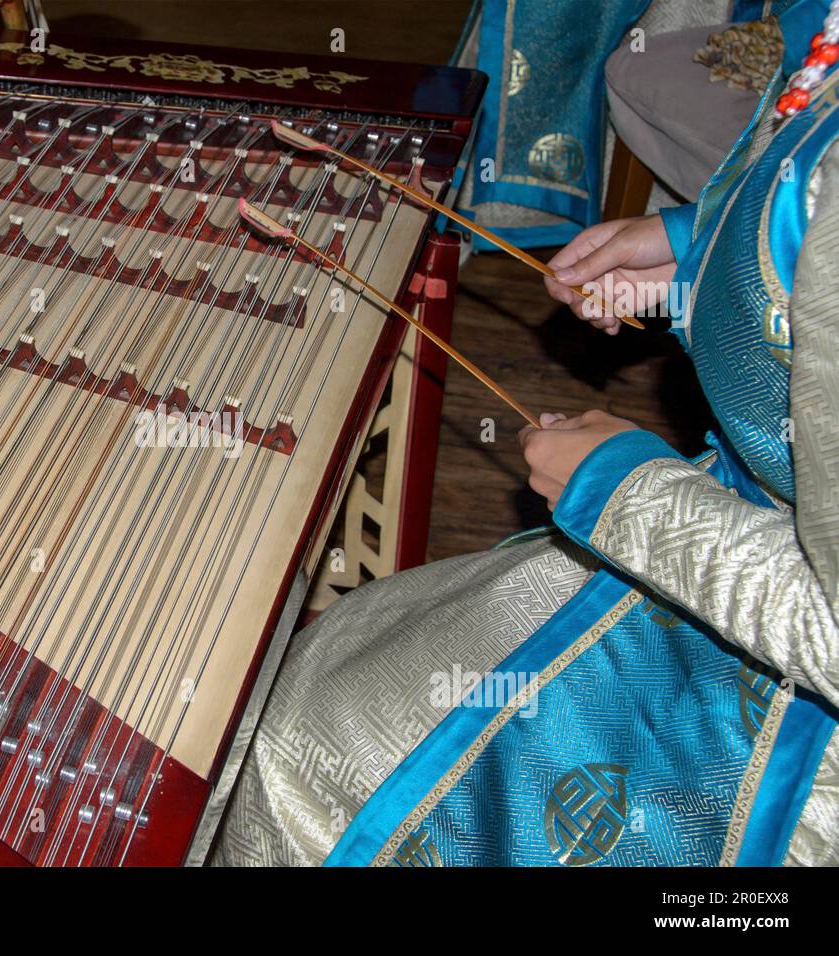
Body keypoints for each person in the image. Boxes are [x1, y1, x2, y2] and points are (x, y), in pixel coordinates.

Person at [211, 0, 839, 867]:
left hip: (791, 728)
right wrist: (693, 250)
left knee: (313, 748)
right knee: (357, 645)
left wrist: (621, 488)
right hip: (739, 541)